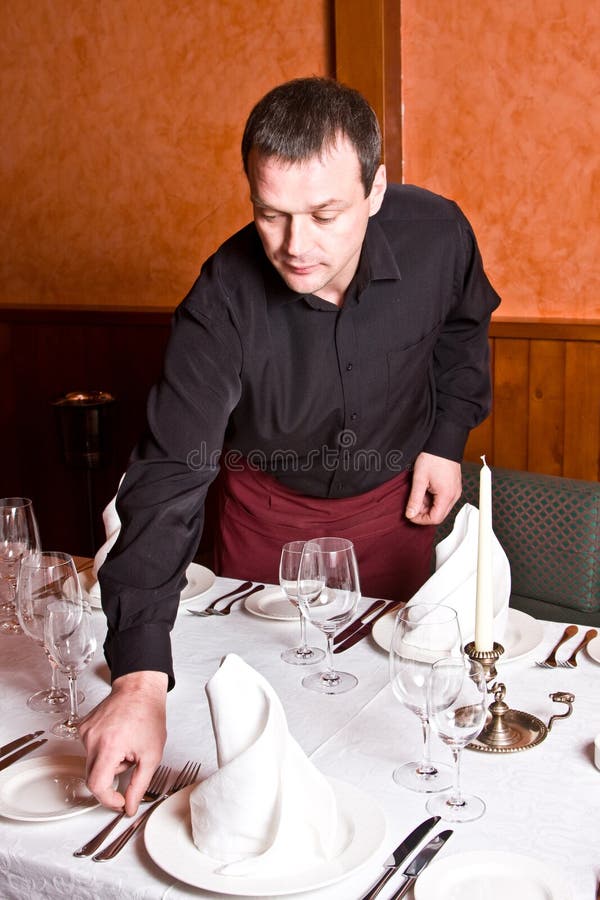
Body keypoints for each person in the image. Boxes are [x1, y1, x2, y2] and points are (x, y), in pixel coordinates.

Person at [79, 77, 500, 812]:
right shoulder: (221, 300)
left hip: (395, 509)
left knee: (392, 726)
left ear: (376, 189)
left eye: (325, 214)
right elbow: (169, 477)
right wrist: (140, 679)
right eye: (270, 214)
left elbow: (464, 328)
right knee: (273, 734)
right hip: (264, 519)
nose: (294, 247)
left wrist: (446, 437)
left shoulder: (439, 234)